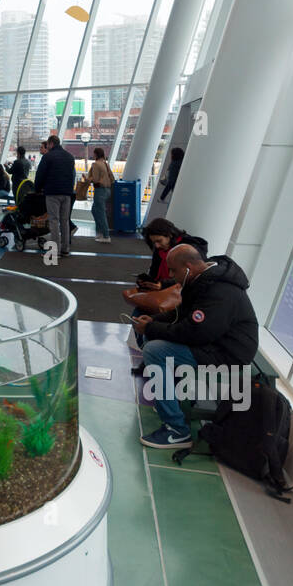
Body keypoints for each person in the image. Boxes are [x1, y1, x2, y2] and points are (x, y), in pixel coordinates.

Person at [135, 244, 259, 450]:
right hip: (216, 343)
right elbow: (182, 314)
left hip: (229, 354)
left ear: (188, 267)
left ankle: (177, 431)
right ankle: (174, 400)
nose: (172, 276)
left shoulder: (220, 291)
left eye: (174, 271)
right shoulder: (205, 281)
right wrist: (153, 321)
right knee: (154, 343)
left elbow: (197, 332)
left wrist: (152, 328)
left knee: (154, 350)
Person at [124, 218, 209, 359]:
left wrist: (163, 285)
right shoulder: (160, 251)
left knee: (150, 325)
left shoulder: (188, 250)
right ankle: (144, 352)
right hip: (162, 294)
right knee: (138, 316)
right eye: (154, 242)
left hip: (177, 297)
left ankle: (148, 353)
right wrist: (148, 282)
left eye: (159, 241)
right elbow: (157, 273)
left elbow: (189, 276)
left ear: (169, 235)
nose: (156, 246)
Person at [34, 135, 76, 258]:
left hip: (52, 193)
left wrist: (37, 189)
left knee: (53, 221)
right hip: (67, 193)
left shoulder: (47, 157)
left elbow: (40, 175)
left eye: (47, 144)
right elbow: (72, 175)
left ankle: (54, 251)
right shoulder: (70, 157)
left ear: (51, 144)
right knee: (65, 221)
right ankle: (65, 249)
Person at [84, 147, 115, 242]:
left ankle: (106, 236)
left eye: (94, 154)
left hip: (100, 191)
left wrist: (87, 179)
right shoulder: (105, 164)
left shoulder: (96, 164)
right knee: (95, 210)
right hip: (107, 190)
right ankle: (100, 232)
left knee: (101, 213)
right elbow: (112, 178)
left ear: (96, 154)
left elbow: (96, 179)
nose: (93, 156)